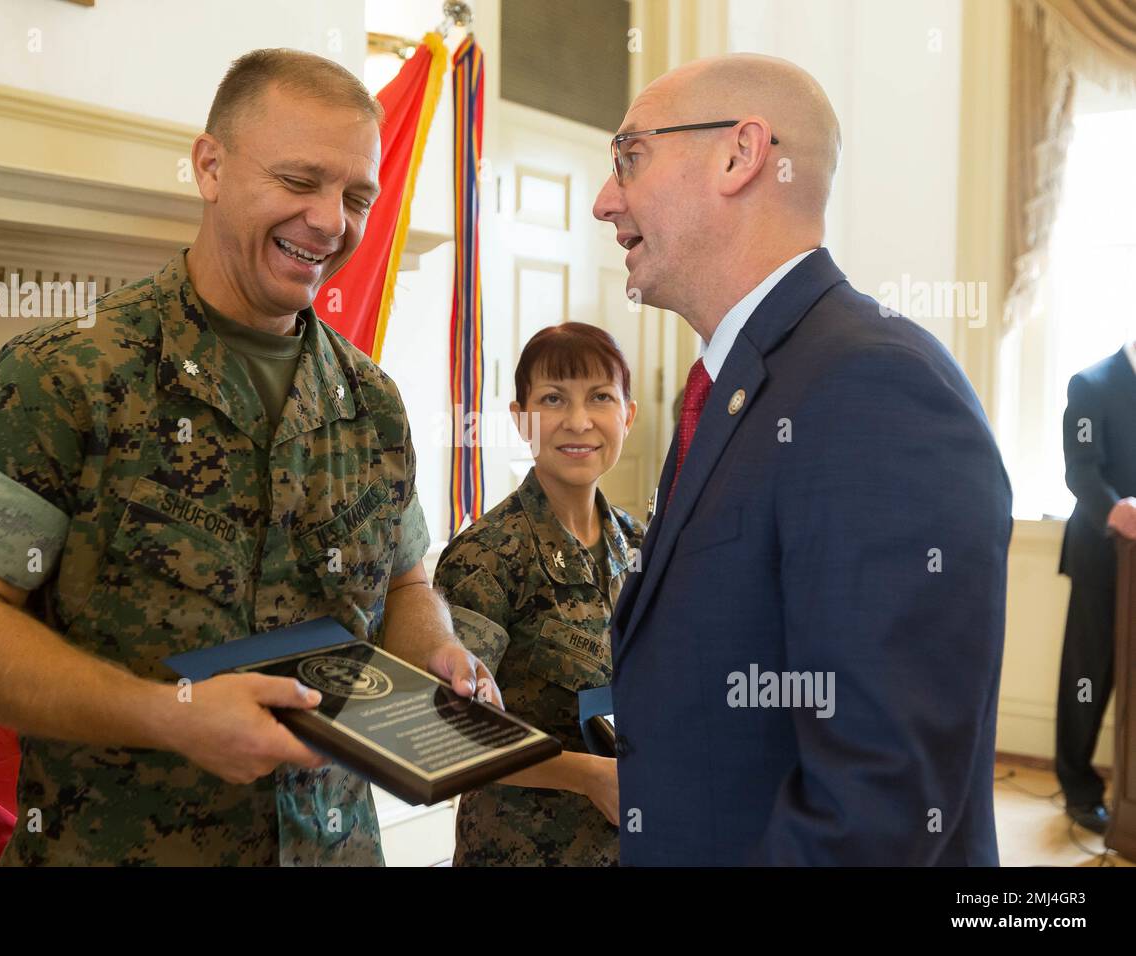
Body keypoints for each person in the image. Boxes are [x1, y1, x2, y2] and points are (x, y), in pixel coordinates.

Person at [0, 48, 499, 866]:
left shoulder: (372, 403)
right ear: (209, 166)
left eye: (357, 195)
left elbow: (406, 582)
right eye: (298, 181)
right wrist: (166, 713)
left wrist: (435, 650)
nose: (331, 221)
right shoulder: (68, 375)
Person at [592, 53, 1012, 865]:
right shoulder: (744, 379)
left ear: (740, 154)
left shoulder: (874, 386)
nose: (607, 199)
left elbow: (875, 801)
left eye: (630, 156)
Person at [435, 323, 641, 866]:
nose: (579, 421)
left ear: (628, 415)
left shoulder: (645, 546)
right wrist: (586, 774)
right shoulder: (487, 557)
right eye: (553, 399)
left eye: (600, 397)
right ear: (521, 417)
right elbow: (448, 731)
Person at [1056, 340, 1136, 835]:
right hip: (1100, 556)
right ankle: (1079, 789)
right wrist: (1118, 512)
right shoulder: (1091, 383)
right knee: (1089, 675)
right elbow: (1079, 470)